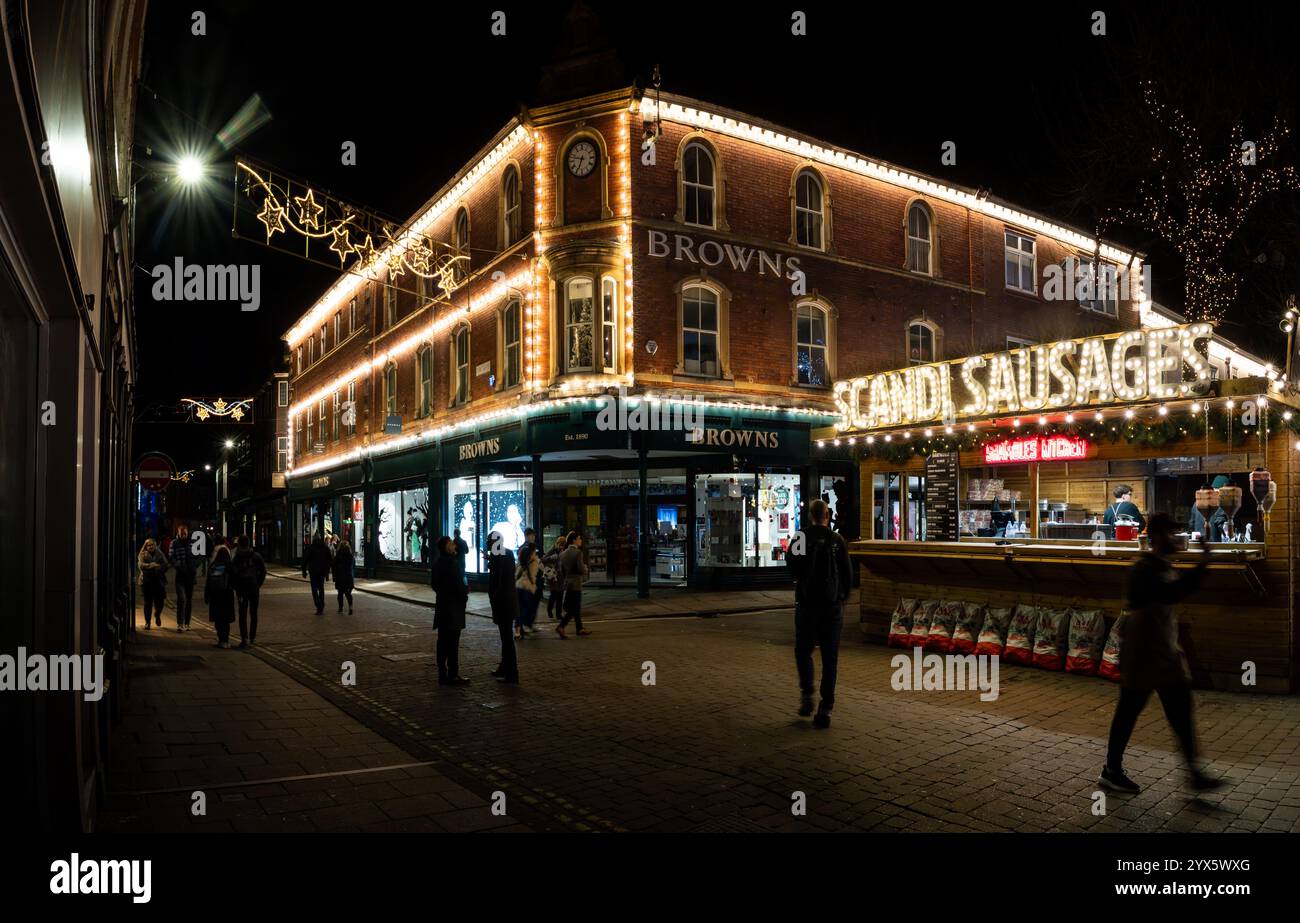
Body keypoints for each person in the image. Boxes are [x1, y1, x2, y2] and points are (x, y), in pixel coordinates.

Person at [1101, 513, 1224, 794]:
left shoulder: (1162, 565)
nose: (1175, 538)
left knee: (1179, 710)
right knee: (1129, 711)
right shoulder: (1144, 569)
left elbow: (1177, 590)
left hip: (1163, 651)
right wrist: (1204, 563)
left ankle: (1194, 772)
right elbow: (1172, 593)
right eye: (1170, 533)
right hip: (1143, 652)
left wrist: (1201, 564)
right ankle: (1112, 770)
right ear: (1155, 537)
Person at [786, 498, 851, 728]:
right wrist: (841, 599)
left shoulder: (801, 537)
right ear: (828, 515)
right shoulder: (837, 540)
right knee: (830, 657)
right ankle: (826, 708)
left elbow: (791, 566)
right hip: (831, 607)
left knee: (803, 650)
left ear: (810, 515)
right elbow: (847, 575)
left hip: (807, 605)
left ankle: (807, 693)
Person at [432, 536, 469, 685]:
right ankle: (453, 674)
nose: (455, 546)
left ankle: (442, 673)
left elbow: (434, 584)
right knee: (453, 643)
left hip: (442, 607)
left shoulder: (437, 563)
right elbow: (459, 586)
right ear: (447, 547)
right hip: (453, 608)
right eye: (452, 544)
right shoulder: (453, 564)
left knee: (442, 642)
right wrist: (464, 596)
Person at [487, 532, 520, 683]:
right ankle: (504, 668)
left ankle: (511, 674)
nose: (487, 543)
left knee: (506, 639)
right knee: (506, 638)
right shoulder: (507, 553)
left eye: (489, 540)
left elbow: (497, 580)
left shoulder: (497, 556)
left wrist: (494, 599)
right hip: (509, 601)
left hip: (503, 603)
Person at [230, 535, 267, 648]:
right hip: (253, 588)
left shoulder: (237, 557)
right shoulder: (256, 556)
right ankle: (252, 638)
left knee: (242, 614)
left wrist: (236, 588)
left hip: (242, 589)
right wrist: (258, 584)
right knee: (254, 613)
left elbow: (232, 574)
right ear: (249, 543)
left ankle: (244, 638)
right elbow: (263, 571)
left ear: (240, 544)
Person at [556, 531, 590, 639]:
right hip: (576, 583)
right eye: (579, 538)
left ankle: (579, 628)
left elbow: (561, 570)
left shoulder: (563, 554)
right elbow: (580, 569)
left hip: (568, 583)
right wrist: (585, 569)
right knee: (574, 607)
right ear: (574, 540)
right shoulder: (578, 553)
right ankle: (561, 626)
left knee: (576, 606)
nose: (580, 540)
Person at [205, 545, 236, 649]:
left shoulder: (213, 566)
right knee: (225, 620)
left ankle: (220, 640)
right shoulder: (229, 565)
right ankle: (225, 641)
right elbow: (234, 580)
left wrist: (207, 596)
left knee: (218, 619)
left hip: (215, 596)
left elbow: (208, 582)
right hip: (227, 595)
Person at [168, 524, 198, 632]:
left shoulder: (192, 543)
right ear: (178, 533)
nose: (183, 535)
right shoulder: (174, 543)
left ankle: (187, 623)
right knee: (181, 600)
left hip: (190, 575)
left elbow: (198, 556)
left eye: (185, 533)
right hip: (180, 575)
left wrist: (194, 565)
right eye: (182, 533)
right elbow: (171, 557)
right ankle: (180, 624)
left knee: (189, 600)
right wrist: (179, 565)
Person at [137, 538, 169, 630]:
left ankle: (157, 614)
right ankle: (147, 622)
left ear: (155, 545)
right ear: (146, 546)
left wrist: (156, 568)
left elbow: (165, 565)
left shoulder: (160, 554)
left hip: (159, 581)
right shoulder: (142, 554)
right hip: (147, 582)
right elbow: (141, 566)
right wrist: (152, 565)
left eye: (152, 545)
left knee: (160, 602)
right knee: (148, 603)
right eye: (149, 545)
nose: (150, 546)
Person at [1189, 475, 1230, 541]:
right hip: (1214, 545)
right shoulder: (1221, 504)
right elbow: (1222, 526)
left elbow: (1191, 524)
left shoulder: (1197, 502)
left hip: (1198, 544)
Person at [515, 544, 540, 640]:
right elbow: (533, 576)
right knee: (528, 609)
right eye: (534, 553)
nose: (535, 554)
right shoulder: (534, 562)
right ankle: (527, 625)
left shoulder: (521, 562)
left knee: (519, 610)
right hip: (527, 588)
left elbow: (516, 575)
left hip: (518, 587)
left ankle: (518, 631)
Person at [306, 533, 333, 614]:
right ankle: (321, 604)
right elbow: (330, 560)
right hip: (322, 571)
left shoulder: (311, 547)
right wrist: (328, 571)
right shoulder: (325, 547)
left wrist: (304, 570)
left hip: (313, 571)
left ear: (314, 538)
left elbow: (305, 559)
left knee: (314, 589)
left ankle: (319, 605)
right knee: (321, 588)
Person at [542, 535, 567, 621]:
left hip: (560, 577)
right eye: (560, 545)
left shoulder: (563, 551)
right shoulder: (552, 551)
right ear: (557, 543)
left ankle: (559, 614)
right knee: (553, 595)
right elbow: (543, 559)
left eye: (563, 545)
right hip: (552, 577)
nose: (561, 547)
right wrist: (551, 558)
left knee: (560, 595)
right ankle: (549, 610)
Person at [333, 540, 356, 613]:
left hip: (340, 577)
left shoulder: (338, 555)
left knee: (340, 593)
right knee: (348, 593)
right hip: (349, 577)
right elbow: (353, 567)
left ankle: (340, 608)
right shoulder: (350, 556)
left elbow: (334, 567)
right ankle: (350, 606)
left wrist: (334, 577)